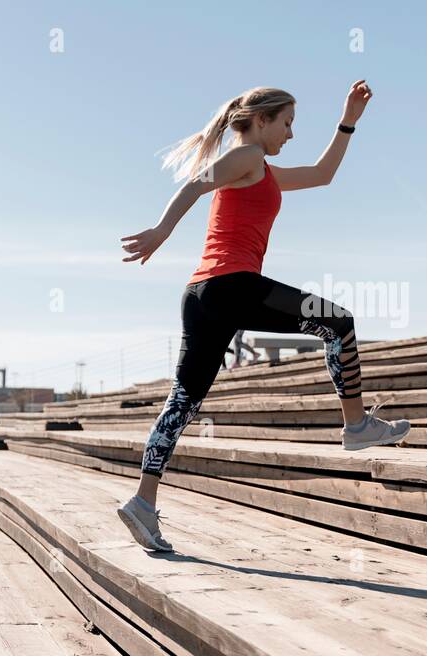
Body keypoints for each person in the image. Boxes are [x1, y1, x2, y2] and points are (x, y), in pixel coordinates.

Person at [117, 81, 409, 552]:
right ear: (261, 120)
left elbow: (323, 174)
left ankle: (143, 504)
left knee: (183, 402)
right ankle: (356, 426)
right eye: (287, 123)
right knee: (338, 321)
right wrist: (161, 232)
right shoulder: (249, 156)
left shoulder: (263, 171)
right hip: (234, 285)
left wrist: (348, 120)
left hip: (201, 295)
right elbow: (197, 182)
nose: (290, 133)